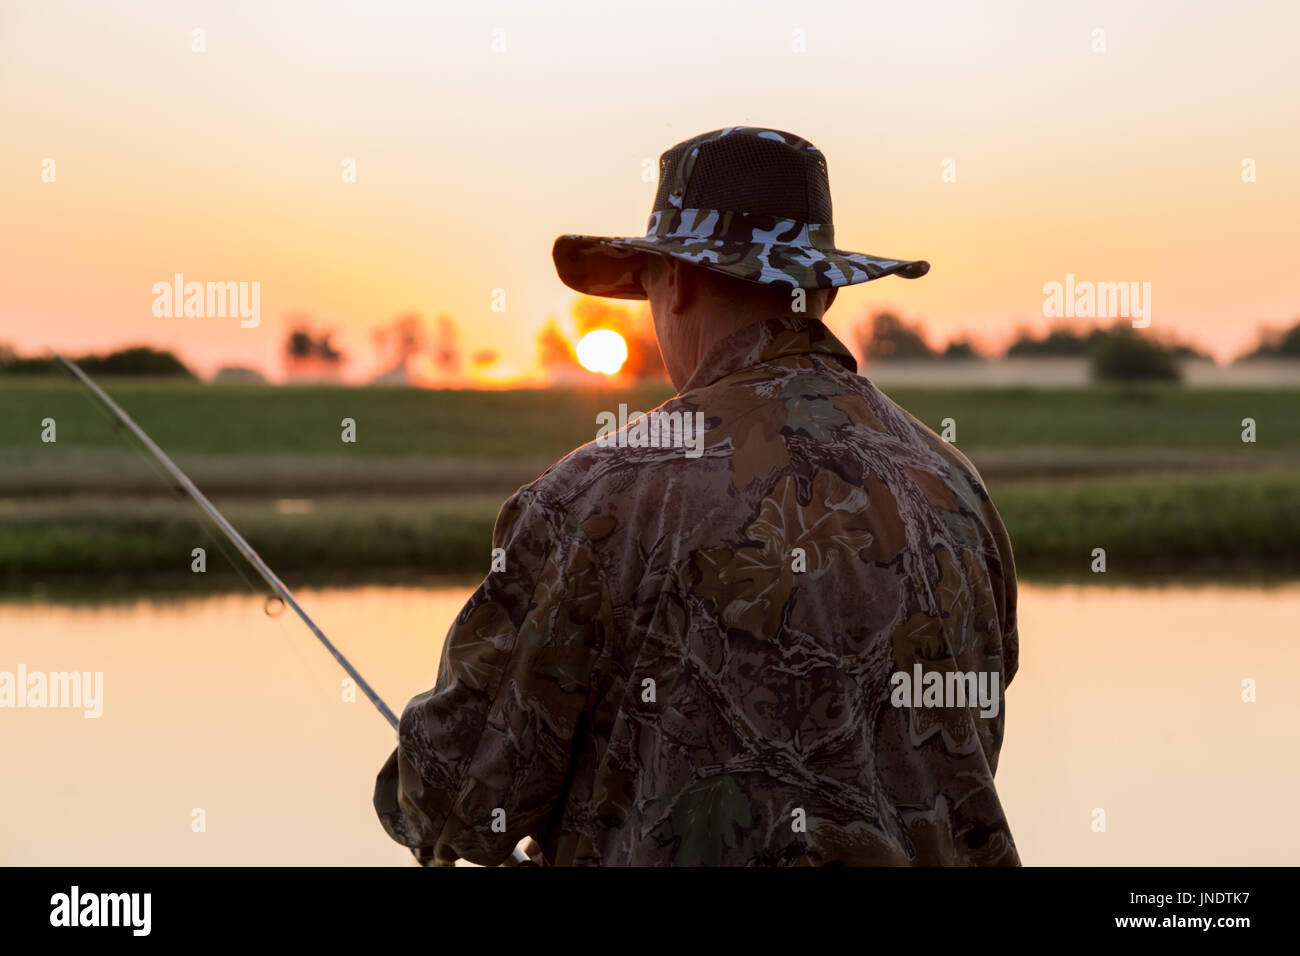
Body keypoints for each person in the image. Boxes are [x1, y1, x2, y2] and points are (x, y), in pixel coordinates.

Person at [374, 126, 1020, 866]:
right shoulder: (957, 492)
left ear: (674, 280)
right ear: (825, 290)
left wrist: (413, 775)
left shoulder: (594, 497)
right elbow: (967, 751)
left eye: (647, 286)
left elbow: (454, 805)